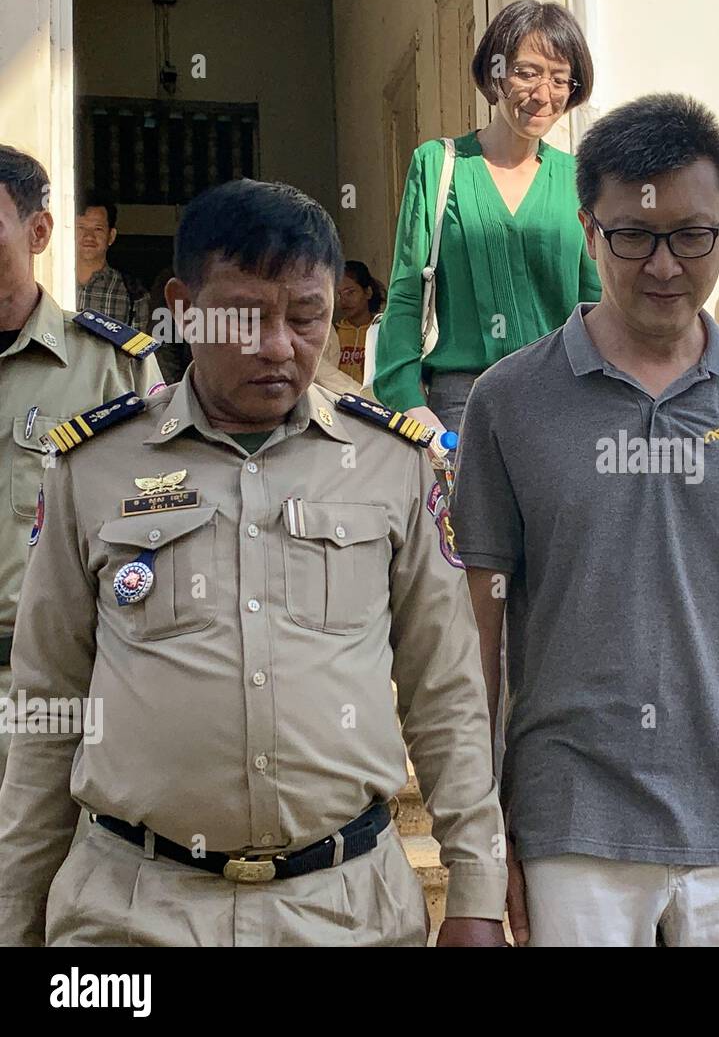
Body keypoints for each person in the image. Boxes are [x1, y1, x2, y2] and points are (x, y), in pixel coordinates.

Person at [0, 178, 506, 947]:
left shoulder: (391, 463)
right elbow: (50, 708)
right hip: (134, 915)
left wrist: (475, 888)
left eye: (306, 317)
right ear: (183, 303)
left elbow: (446, 693)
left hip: (345, 912)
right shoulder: (93, 468)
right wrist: (15, 913)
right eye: (246, 317)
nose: (278, 346)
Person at [451, 94, 719, 947]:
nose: (664, 264)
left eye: (693, 235)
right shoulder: (510, 400)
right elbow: (477, 628)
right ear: (587, 228)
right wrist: (479, 832)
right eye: (633, 235)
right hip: (574, 826)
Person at [0, 147, 162, 784]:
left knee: (39, 876)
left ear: (39, 232)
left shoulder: (112, 368)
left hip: (53, 692)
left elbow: (157, 526)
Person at [376, 0, 601, 435]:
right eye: (527, 72)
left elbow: (594, 302)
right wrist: (406, 397)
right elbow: (406, 290)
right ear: (495, 73)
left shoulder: (579, 179)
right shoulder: (439, 165)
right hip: (461, 405)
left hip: (562, 400)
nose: (543, 95)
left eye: (560, 79)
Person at [75, 190, 151, 329]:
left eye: (98, 229)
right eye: (81, 228)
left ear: (111, 236)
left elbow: (138, 350)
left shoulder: (133, 294)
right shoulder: (48, 282)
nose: (89, 236)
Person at [315, 259, 384, 395]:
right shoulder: (333, 333)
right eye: (339, 295)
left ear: (368, 292)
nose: (344, 300)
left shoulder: (381, 331)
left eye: (350, 292)